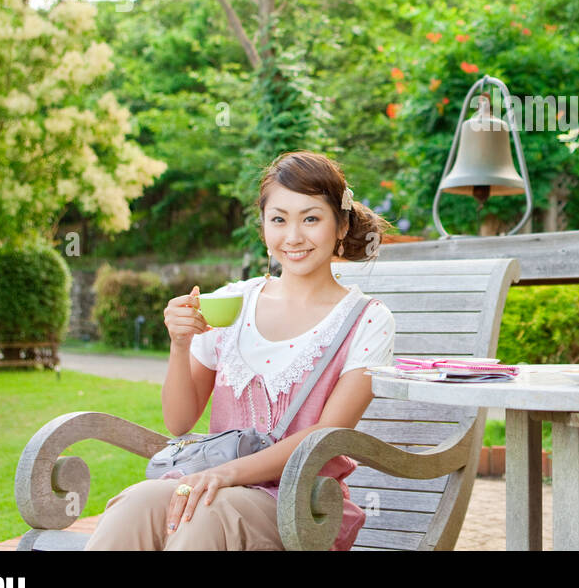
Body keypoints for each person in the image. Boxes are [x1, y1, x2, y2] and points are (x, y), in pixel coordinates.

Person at [85, 151, 396, 551]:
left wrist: (227, 474)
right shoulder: (231, 302)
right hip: (215, 484)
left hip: (302, 506)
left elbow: (324, 437)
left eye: (311, 218)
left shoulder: (367, 320)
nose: (294, 236)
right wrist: (180, 346)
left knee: (208, 517)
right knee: (137, 503)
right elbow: (178, 422)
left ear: (342, 225)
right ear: (264, 227)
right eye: (279, 219)